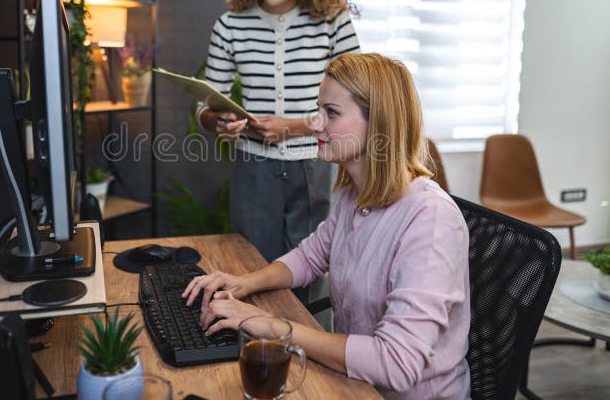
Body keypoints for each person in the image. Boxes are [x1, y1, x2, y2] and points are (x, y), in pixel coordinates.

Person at [184, 53, 471, 399]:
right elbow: (310, 257)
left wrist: (274, 327)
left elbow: (397, 363)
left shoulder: (431, 219)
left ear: (378, 123)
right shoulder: (356, 196)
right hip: (352, 383)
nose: (315, 124)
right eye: (319, 110)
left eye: (331, 113)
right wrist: (245, 283)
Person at [197, 0, 360, 263]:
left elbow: (358, 102)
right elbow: (206, 108)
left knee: (312, 270)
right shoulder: (230, 26)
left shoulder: (333, 23)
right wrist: (220, 122)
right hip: (252, 169)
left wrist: (295, 127)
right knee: (253, 267)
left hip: (314, 163)